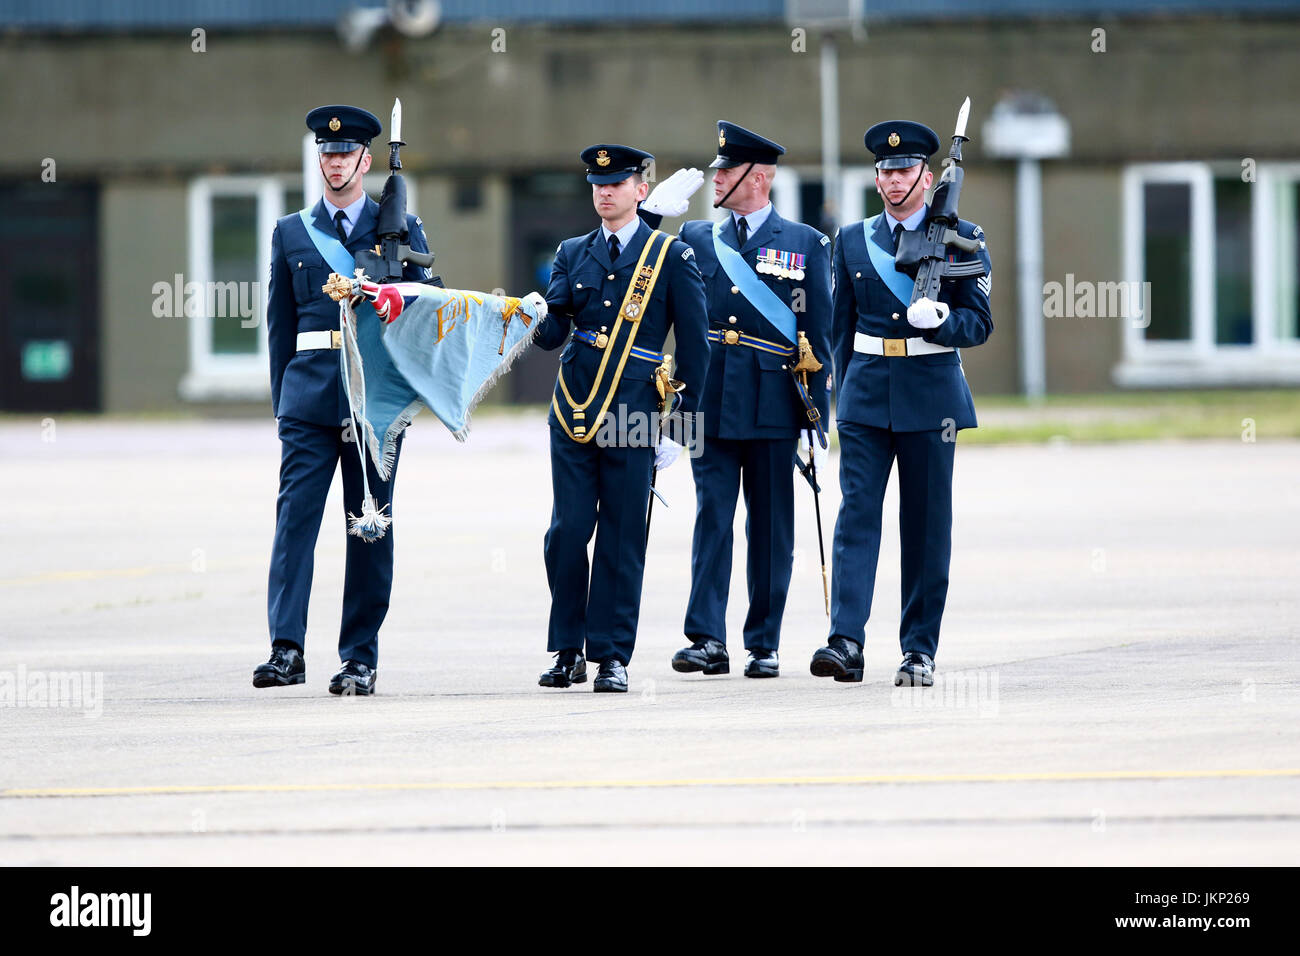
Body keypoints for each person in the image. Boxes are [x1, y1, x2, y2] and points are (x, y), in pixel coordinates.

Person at [252, 105, 430, 696]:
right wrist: (283, 403)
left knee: (369, 527)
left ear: (366, 160)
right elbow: (279, 327)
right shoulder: (291, 231)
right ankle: (286, 648)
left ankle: (359, 656)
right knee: (294, 525)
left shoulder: (401, 228)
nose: (333, 163)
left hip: (374, 404)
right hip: (308, 398)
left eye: (344, 153)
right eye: (325, 153)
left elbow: (428, 318)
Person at [809, 119, 992, 687]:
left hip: (931, 396)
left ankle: (918, 649)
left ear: (927, 175)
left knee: (925, 526)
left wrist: (943, 322)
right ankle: (846, 640)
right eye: (884, 171)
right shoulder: (852, 239)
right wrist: (840, 394)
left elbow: (980, 323)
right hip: (865, 394)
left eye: (903, 170)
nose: (891, 182)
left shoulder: (963, 236)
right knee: (856, 518)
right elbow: (838, 330)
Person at [535, 144, 710, 693]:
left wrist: (684, 427)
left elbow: (698, 348)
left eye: (617, 183)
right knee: (568, 532)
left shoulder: (671, 256)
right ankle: (568, 649)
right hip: (575, 406)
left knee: (621, 534)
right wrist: (535, 313)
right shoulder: (571, 251)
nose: (604, 192)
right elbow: (552, 337)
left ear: (641, 190)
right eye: (597, 183)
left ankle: (611, 655)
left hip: (634, 411)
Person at [663, 122, 831, 679]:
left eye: (727, 172)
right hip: (708, 398)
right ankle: (707, 638)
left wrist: (817, 421)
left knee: (771, 526)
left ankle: (764, 642)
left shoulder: (805, 243)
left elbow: (818, 337)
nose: (717, 180)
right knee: (712, 517)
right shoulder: (693, 238)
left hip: (773, 401)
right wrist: (647, 216)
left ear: (758, 178)